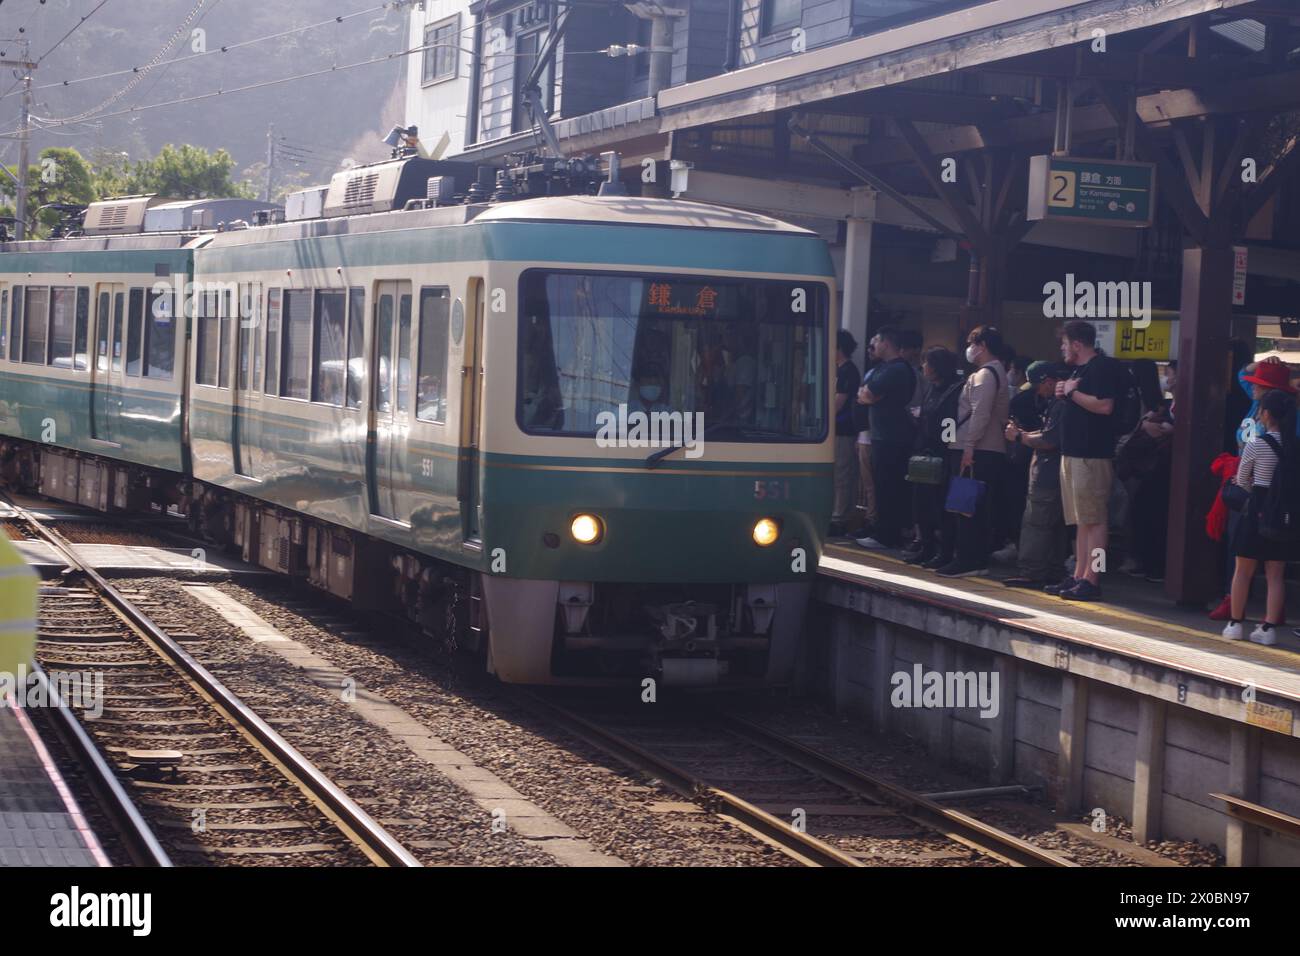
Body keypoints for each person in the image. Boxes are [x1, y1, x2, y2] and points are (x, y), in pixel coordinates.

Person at [1051, 320, 1127, 601]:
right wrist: (1068, 394)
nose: (1062, 349)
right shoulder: (1081, 370)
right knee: (1082, 520)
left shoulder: (1101, 367)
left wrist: (1072, 392)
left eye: (1064, 343)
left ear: (1077, 344)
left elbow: (1105, 405)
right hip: (1074, 453)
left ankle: (1093, 579)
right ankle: (1079, 575)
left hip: (1092, 455)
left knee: (1096, 520)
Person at [1223, 389, 1298, 645]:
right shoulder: (1294, 447)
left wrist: (1250, 482)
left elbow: (1242, 480)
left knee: (1243, 569)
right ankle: (1268, 628)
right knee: (1275, 573)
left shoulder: (1257, 444)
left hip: (1257, 507)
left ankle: (1235, 624)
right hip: (1283, 513)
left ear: (1265, 414)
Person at [934, 325, 1010, 577]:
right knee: (975, 506)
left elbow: (980, 412)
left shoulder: (985, 375)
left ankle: (967, 559)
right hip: (988, 448)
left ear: (983, 346)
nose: (970, 348)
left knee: (965, 506)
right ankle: (974, 558)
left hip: (977, 449)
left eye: (972, 343)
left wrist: (968, 446)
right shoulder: (997, 372)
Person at [1002, 362, 1068, 588]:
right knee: (1056, 525)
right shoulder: (1065, 401)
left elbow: (1049, 440)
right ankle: (1053, 570)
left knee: (1035, 522)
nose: (1037, 392)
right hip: (1060, 471)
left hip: (1048, 470)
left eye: (1038, 386)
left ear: (1049, 381)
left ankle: (1031, 572)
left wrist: (1019, 437)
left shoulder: (1060, 404)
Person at [855, 326, 917, 550]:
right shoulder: (887, 368)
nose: (874, 344)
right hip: (885, 435)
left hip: (890, 437)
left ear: (887, 343)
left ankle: (886, 535)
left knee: (887, 486)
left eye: (877, 340)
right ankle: (888, 532)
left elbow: (867, 394)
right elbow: (864, 393)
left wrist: (870, 396)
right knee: (885, 485)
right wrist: (869, 395)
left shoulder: (896, 369)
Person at [906, 346, 962, 566]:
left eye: (927, 363)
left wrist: (941, 442)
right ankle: (926, 546)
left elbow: (950, 424)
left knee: (942, 507)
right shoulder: (931, 388)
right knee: (921, 505)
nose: (924, 367)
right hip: (924, 454)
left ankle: (945, 552)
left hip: (941, 455)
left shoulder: (954, 390)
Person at [831, 329, 861, 535]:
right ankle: (841, 514)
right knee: (841, 473)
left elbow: (838, 404)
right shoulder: (841, 369)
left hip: (844, 429)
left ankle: (840, 517)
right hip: (839, 430)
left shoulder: (847, 371)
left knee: (842, 473)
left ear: (838, 348)